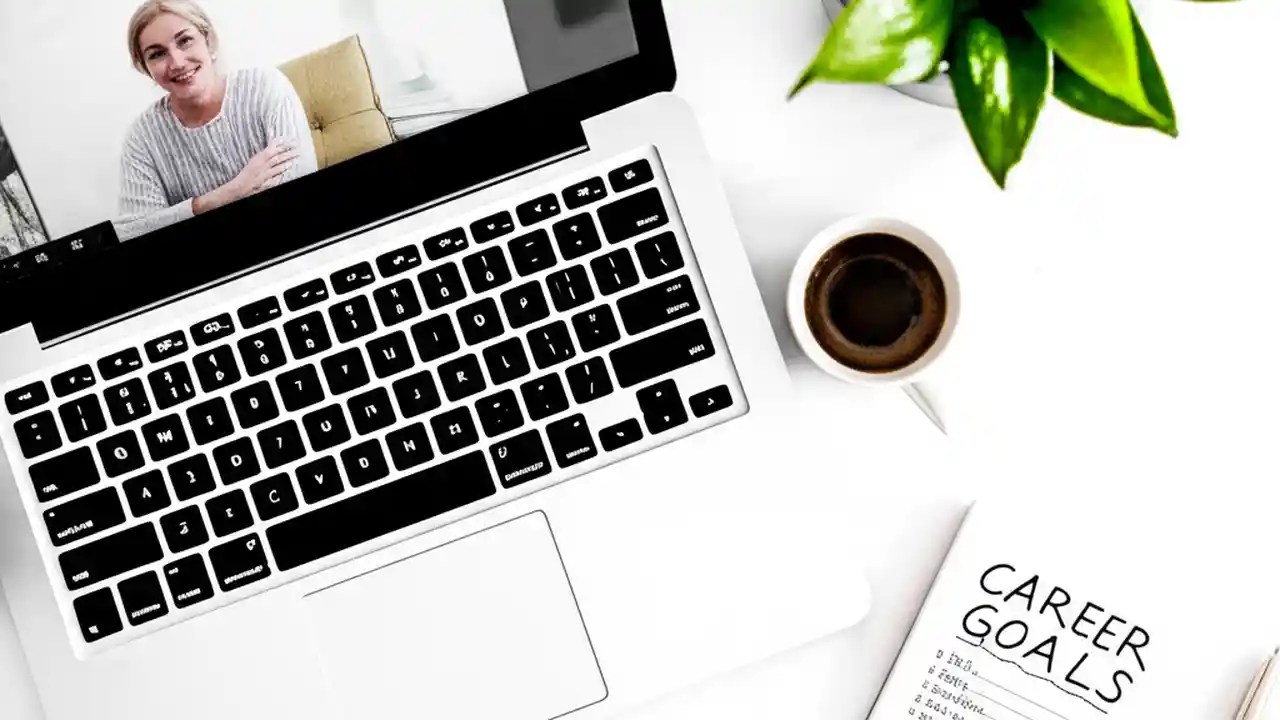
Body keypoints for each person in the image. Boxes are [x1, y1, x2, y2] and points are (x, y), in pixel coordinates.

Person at [115, 0, 318, 241]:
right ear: (145, 68)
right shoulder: (142, 137)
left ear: (208, 40)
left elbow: (298, 194)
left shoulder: (265, 86)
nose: (177, 63)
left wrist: (182, 219)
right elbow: (133, 234)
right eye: (157, 54)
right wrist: (223, 195)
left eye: (185, 40)